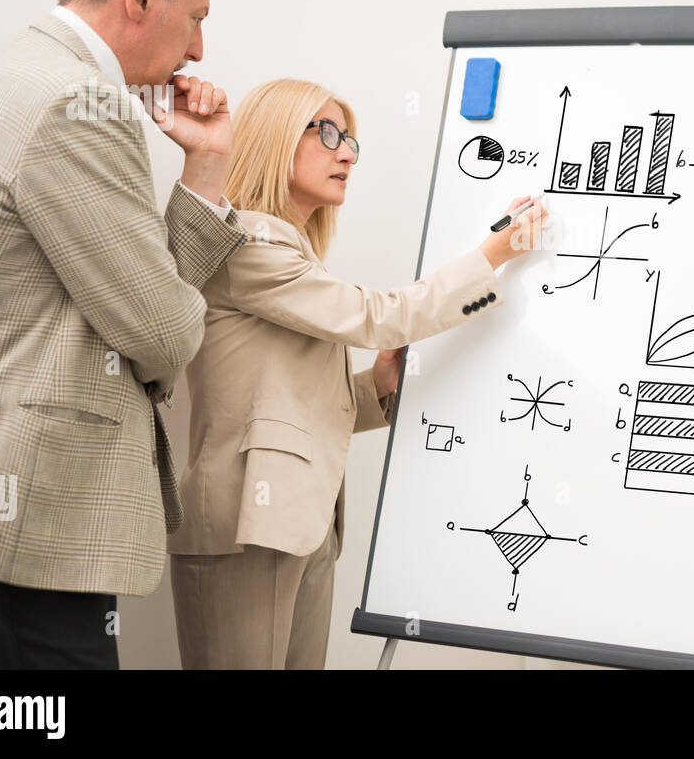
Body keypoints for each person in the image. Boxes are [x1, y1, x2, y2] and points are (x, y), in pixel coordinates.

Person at [0, 0, 246, 668]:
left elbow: (127, 295)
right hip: (22, 524)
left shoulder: (25, 71)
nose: (198, 47)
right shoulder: (75, 103)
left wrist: (202, 168)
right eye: (194, 17)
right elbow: (163, 329)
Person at [168, 78, 546, 668]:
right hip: (248, 524)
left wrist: (378, 386)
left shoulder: (290, 254)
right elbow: (379, 315)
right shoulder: (242, 243)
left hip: (302, 523)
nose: (346, 152)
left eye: (349, 139)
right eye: (325, 133)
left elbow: (294, 398)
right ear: (272, 140)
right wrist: (493, 254)